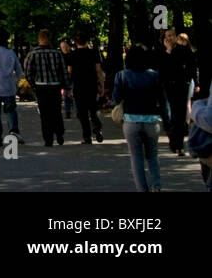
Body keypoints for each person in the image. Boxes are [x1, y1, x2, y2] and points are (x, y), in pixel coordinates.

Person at [113, 45, 170, 192]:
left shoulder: (122, 75)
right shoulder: (154, 75)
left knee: (136, 157)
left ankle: (142, 189)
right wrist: (168, 121)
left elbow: (116, 98)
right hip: (152, 121)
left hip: (131, 121)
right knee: (152, 155)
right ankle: (156, 185)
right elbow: (163, 101)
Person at [24, 29, 68, 146]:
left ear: (39, 39)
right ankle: (59, 133)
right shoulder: (57, 53)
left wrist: (33, 84)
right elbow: (63, 71)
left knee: (45, 113)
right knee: (56, 111)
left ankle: (48, 138)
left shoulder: (32, 54)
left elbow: (27, 72)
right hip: (55, 86)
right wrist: (65, 86)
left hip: (41, 86)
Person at [158, 29, 197, 156]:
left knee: (179, 115)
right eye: (167, 36)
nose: (169, 38)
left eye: (171, 35)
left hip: (180, 86)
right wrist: (168, 51)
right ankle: (173, 139)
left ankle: (179, 145)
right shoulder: (161, 52)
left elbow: (191, 65)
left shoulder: (183, 50)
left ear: (175, 37)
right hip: (166, 87)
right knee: (168, 115)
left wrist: (189, 80)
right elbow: (160, 68)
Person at [66, 34, 105, 144]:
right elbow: (98, 70)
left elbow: (69, 71)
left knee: (82, 112)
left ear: (75, 42)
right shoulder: (93, 53)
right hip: (91, 84)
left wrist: (68, 87)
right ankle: (97, 128)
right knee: (94, 108)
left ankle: (87, 136)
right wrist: (102, 85)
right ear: (86, 41)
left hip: (78, 86)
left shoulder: (72, 55)